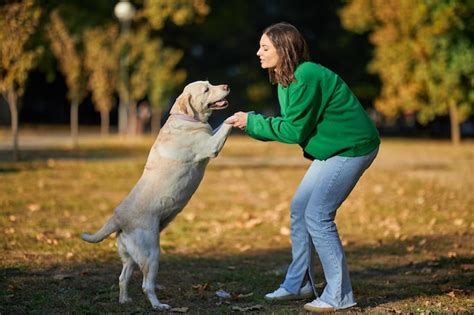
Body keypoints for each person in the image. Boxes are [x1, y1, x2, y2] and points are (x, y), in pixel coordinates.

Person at [225, 22, 380, 313]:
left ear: (284, 49)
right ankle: (299, 283)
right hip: (333, 148)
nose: (258, 52)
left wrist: (251, 121)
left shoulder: (305, 76)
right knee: (300, 208)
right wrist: (253, 123)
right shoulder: (286, 78)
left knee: (318, 215)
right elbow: (294, 125)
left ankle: (339, 295)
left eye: (265, 47)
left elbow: (295, 130)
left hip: (353, 147)